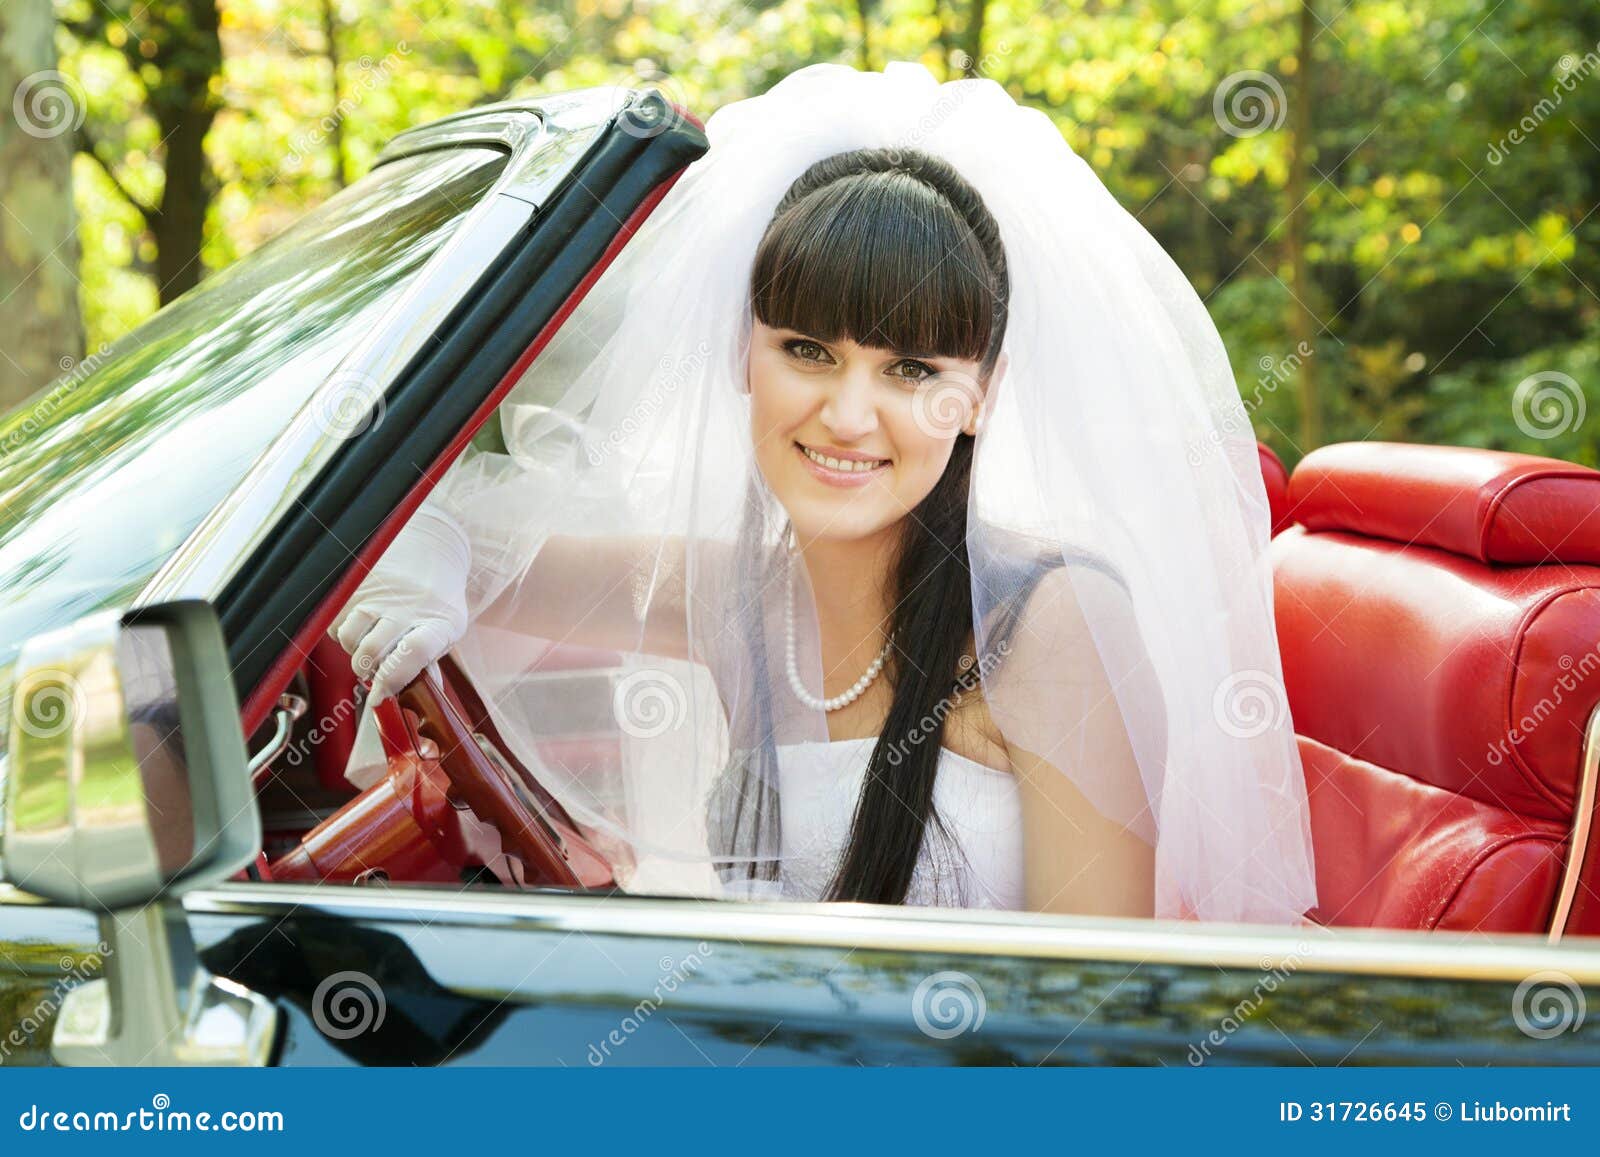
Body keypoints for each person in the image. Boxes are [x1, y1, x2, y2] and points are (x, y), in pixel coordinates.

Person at [330, 61, 1317, 923]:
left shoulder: (1049, 623)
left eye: (911, 368)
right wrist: (430, 560)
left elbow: (1093, 1022)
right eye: (807, 350)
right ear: (741, 354)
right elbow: (433, 532)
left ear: (980, 395)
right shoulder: (736, 592)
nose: (849, 415)